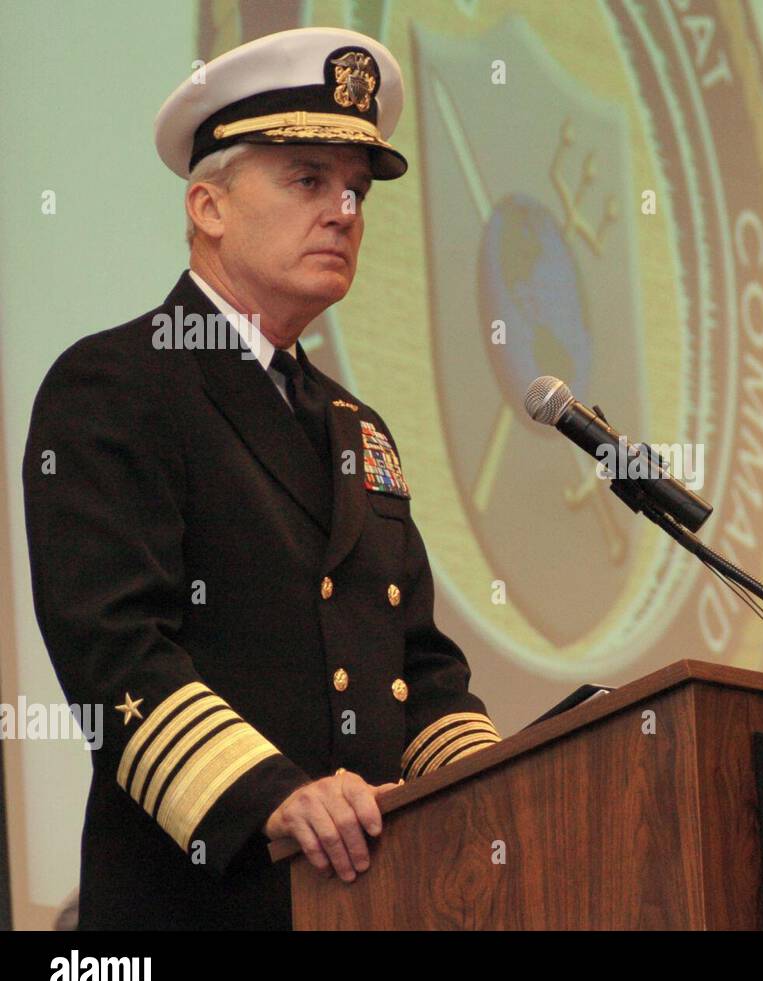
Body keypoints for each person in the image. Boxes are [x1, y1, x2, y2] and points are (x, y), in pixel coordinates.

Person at [21, 26, 501, 931]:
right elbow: (113, 648)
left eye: (355, 190)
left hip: (371, 901)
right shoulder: (117, 382)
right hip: (206, 900)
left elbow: (423, 670)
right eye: (308, 180)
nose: (346, 211)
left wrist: (505, 791)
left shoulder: (356, 427)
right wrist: (275, 795)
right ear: (208, 206)